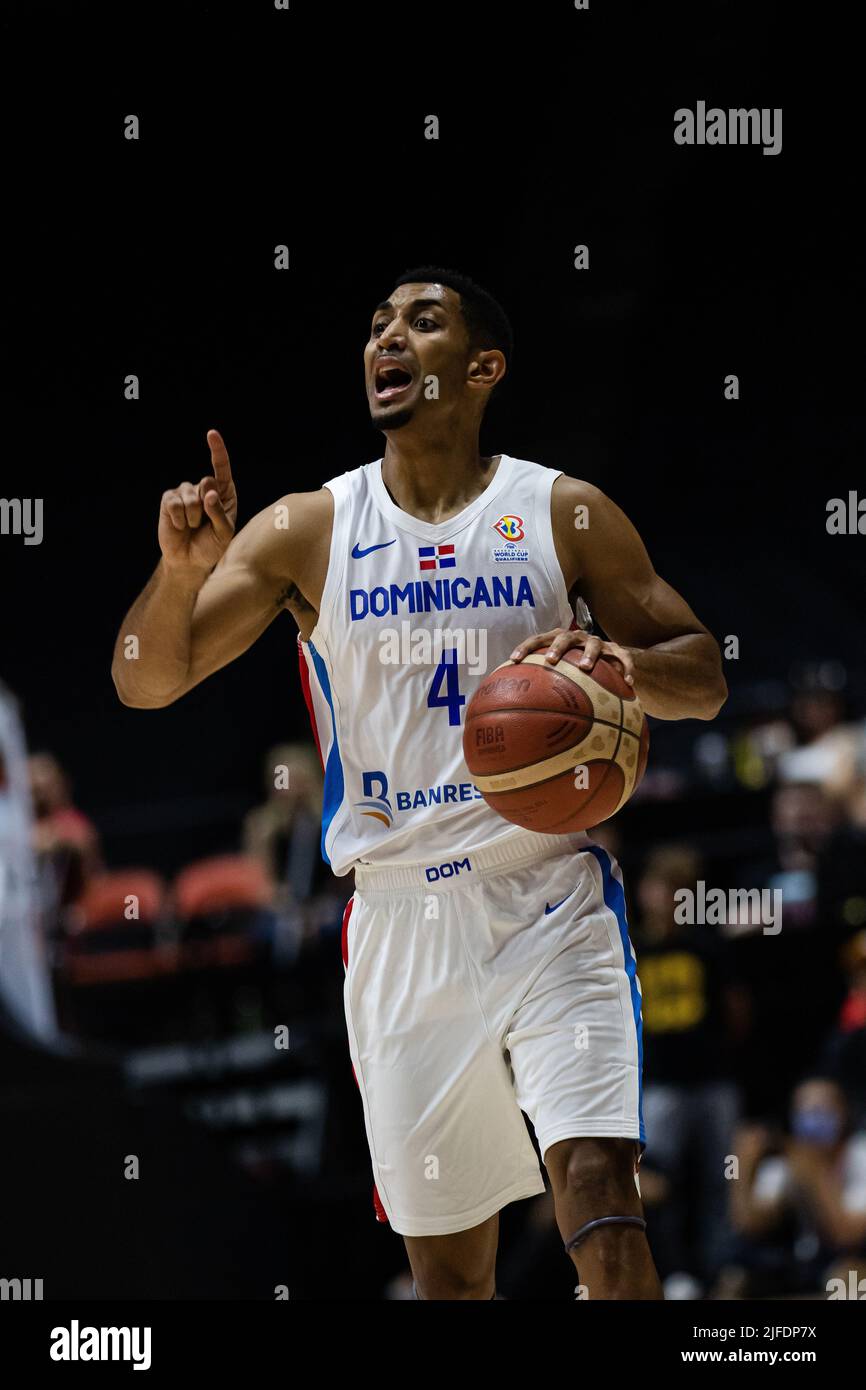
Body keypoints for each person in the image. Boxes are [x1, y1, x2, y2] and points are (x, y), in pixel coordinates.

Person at [111, 267, 727, 1299]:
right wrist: (178, 575)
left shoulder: (560, 511)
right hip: (398, 921)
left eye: (420, 322)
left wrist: (625, 668)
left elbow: (701, 673)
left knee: (598, 1188)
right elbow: (147, 678)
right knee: (449, 1275)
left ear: (481, 367)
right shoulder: (308, 526)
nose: (385, 340)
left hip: (547, 895)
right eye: (375, 326)